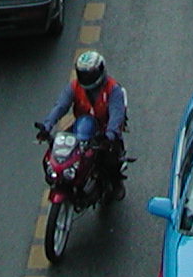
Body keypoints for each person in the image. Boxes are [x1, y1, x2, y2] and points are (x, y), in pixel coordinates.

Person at [36, 49, 128, 190]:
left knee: (111, 161)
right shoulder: (74, 87)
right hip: (81, 128)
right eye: (83, 75)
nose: (86, 79)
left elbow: (116, 115)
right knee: (56, 152)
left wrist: (109, 135)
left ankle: (115, 184)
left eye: (90, 75)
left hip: (104, 132)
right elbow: (60, 106)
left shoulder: (113, 89)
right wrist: (47, 126)